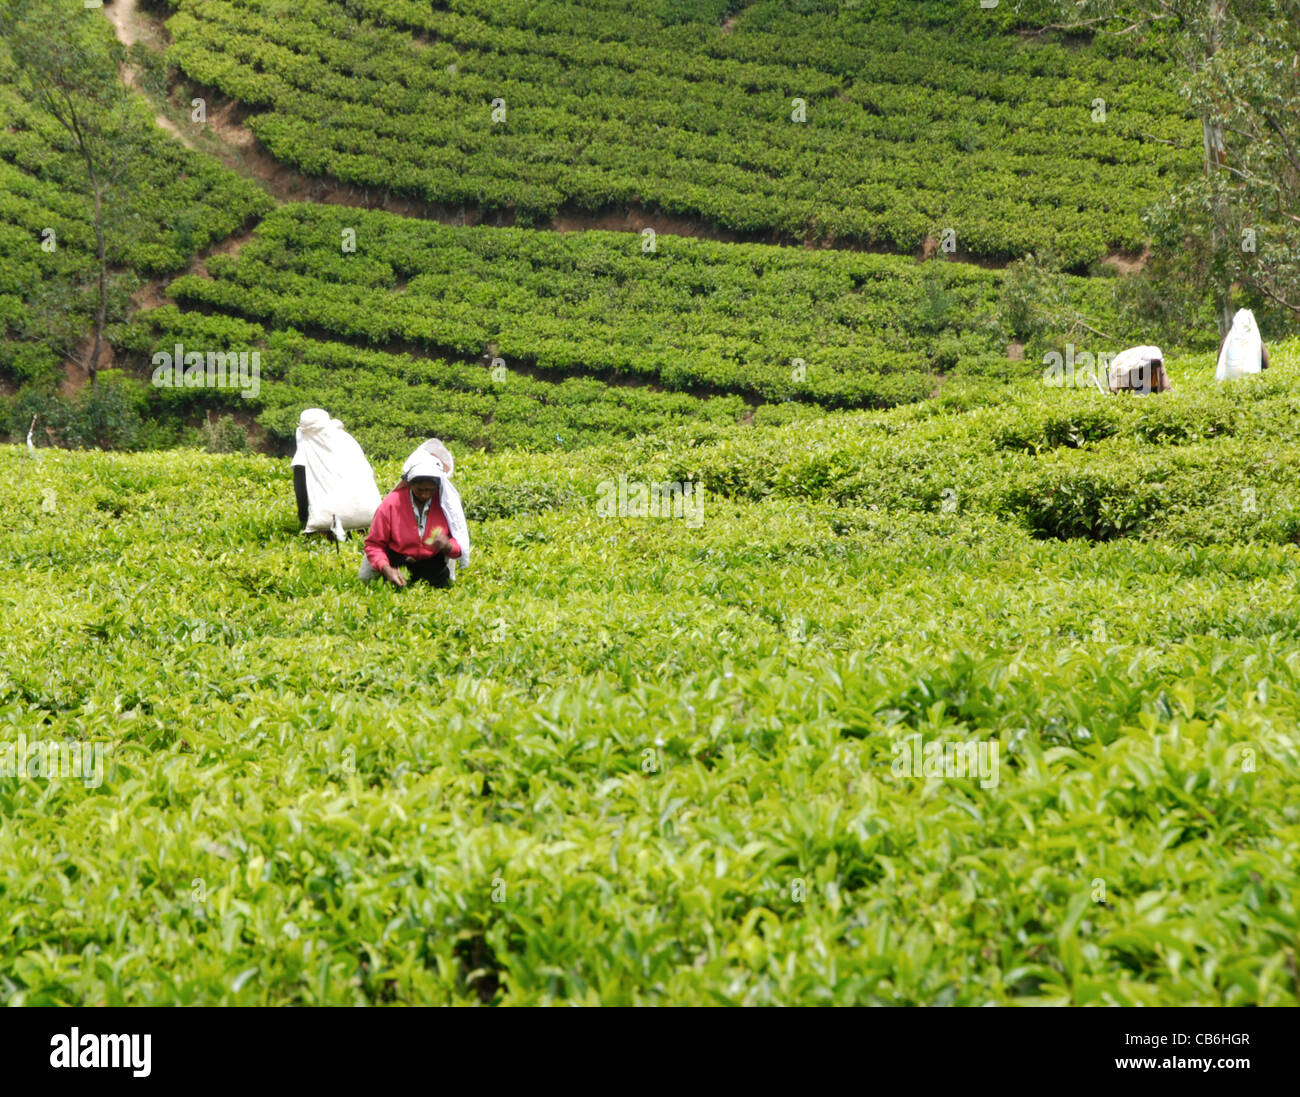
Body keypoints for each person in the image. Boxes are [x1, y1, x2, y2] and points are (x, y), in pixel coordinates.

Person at [360, 448, 470, 588]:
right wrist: (386, 568)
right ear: (410, 484)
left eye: (430, 490)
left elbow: (459, 543)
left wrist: (448, 546)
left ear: (438, 487)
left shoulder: (445, 505)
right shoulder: (392, 504)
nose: (425, 495)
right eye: (420, 490)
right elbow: (374, 544)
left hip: (433, 568)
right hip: (397, 566)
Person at [291, 408, 381, 541]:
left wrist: (303, 518)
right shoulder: (346, 438)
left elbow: (301, 491)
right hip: (370, 516)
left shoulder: (306, 449)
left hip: (329, 523)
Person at [1215, 309, 1269, 380]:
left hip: (1229, 381)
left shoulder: (1227, 341)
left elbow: (1220, 362)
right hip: (1250, 380)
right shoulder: (1256, 340)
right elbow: (1265, 364)